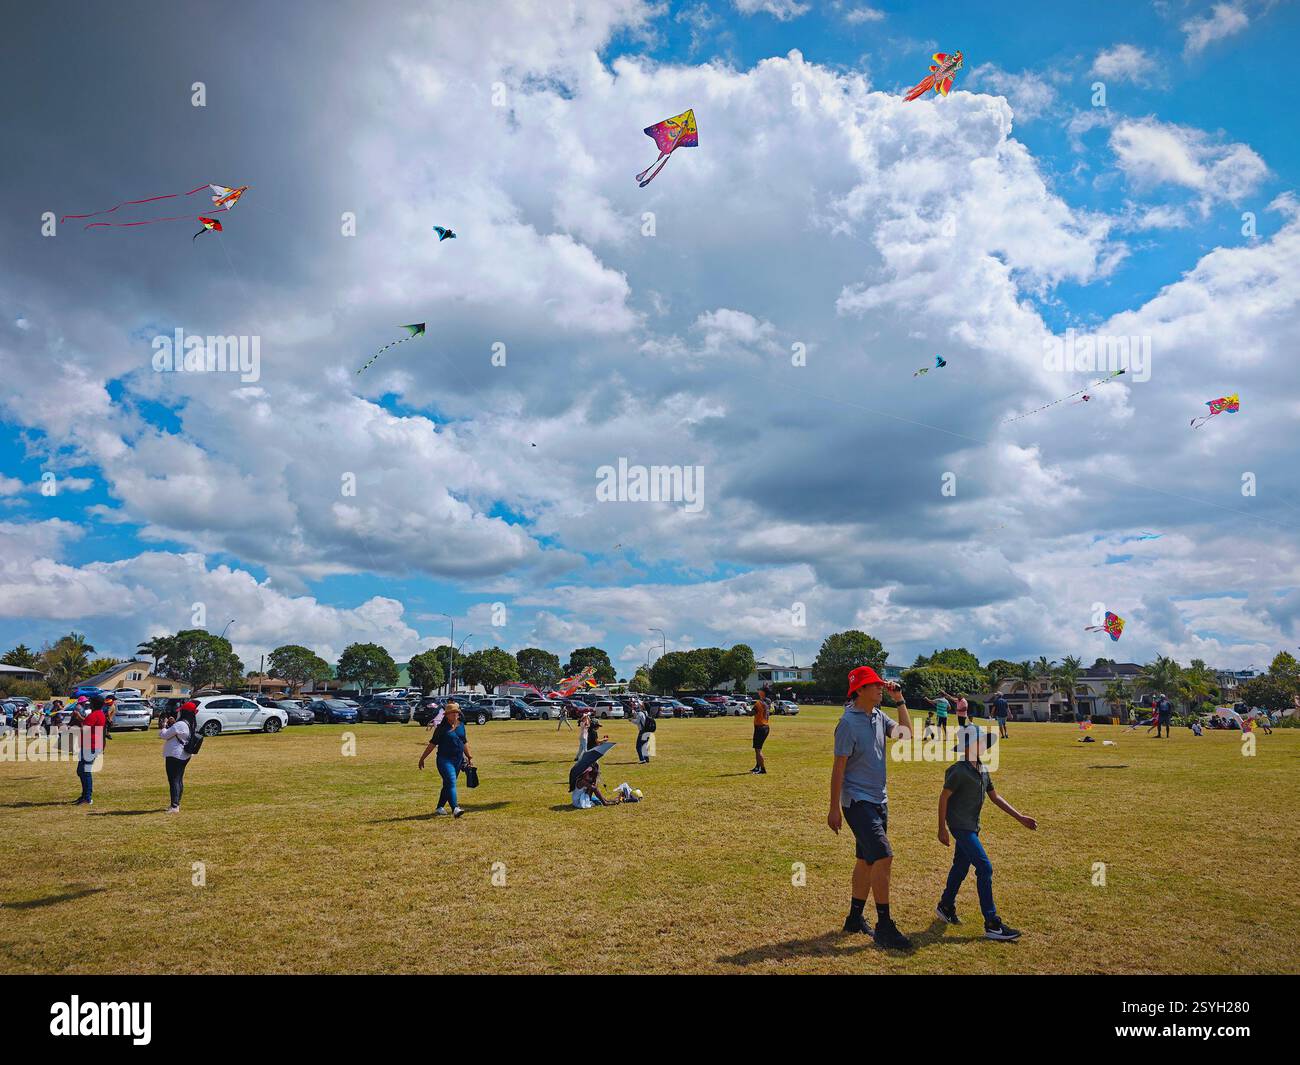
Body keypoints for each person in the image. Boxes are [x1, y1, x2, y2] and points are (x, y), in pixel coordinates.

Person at [828, 666, 913, 951]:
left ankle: (854, 919)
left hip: (879, 799)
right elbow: (838, 769)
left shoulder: (878, 715)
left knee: (866, 860)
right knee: (883, 856)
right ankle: (885, 926)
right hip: (857, 801)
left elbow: (905, 736)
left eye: (880, 685)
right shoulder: (847, 724)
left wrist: (900, 700)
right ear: (859, 690)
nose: (880, 689)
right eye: (874, 686)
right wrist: (834, 809)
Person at [936, 726, 1036, 941]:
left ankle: (945, 905)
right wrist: (941, 828)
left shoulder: (983, 769)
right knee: (984, 867)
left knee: (961, 866)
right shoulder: (958, 770)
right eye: (979, 741)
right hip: (960, 827)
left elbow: (995, 797)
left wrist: (1021, 817)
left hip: (972, 826)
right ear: (967, 746)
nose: (983, 744)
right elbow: (943, 797)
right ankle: (992, 923)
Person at [418, 702, 471, 817]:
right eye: (452, 713)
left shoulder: (461, 725)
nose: (455, 715)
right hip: (444, 760)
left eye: (456, 713)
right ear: (446, 715)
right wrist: (422, 758)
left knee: (448, 784)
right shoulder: (441, 729)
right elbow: (432, 744)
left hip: (458, 760)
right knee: (451, 781)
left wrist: (469, 756)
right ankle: (455, 808)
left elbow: (464, 741)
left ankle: (439, 807)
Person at [158, 701, 197, 813]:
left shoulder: (180, 724)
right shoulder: (190, 723)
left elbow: (164, 735)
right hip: (184, 755)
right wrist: (173, 724)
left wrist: (165, 725)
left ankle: (174, 806)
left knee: (174, 780)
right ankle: (176, 803)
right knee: (178, 779)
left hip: (175, 755)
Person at [70, 695, 107, 806]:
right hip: (91, 745)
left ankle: (87, 798)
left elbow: (85, 729)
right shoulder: (99, 714)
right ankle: (84, 796)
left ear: (93, 704)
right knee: (82, 771)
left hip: (90, 746)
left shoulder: (94, 715)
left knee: (85, 772)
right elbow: (88, 723)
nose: (89, 704)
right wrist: (78, 717)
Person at [751, 684, 772, 774]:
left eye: (760, 690)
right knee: (757, 748)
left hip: (760, 727)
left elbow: (751, 713)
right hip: (766, 727)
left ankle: (762, 769)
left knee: (758, 749)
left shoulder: (758, 703)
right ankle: (757, 766)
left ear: (763, 693)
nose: (758, 691)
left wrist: (744, 709)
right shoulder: (768, 701)